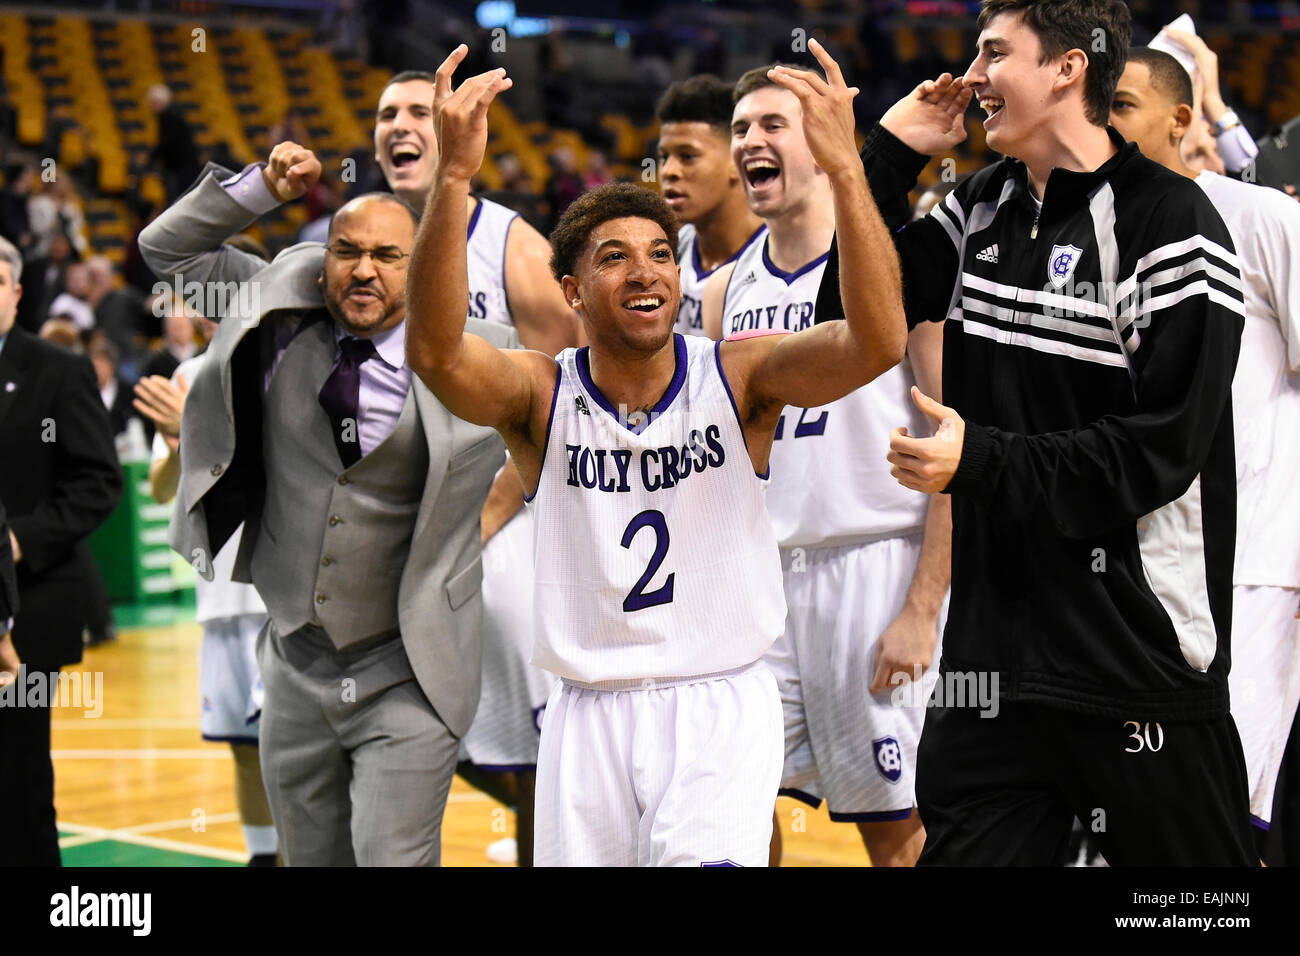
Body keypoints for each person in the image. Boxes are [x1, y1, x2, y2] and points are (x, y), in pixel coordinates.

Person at [406, 42, 907, 866]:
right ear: (569, 291)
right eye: (613, 257)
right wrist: (453, 181)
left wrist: (849, 169)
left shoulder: (740, 374)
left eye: (659, 255)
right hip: (587, 714)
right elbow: (434, 351)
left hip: (718, 706)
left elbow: (877, 342)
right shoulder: (539, 395)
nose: (646, 272)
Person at [821, 0, 1255, 865]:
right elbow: (859, 313)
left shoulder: (1171, 225)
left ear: (1068, 68)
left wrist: (978, 460)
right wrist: (882, 159)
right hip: (991, 665)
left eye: (992, 54)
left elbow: (1159, 449)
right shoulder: (980, 204)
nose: (971, 77)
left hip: (1136, 655)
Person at [138, 143, 517, 866]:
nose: (364, 269)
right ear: (323, 259)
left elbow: (546, 450)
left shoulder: (482, 357)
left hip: (410, 667)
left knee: (392, 859)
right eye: (346, 251)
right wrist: (261, 189)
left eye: (387, 255)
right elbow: (167, 250)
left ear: (425, 265)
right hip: (293, 661)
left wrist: (489, 521)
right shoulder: (273, 314)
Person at [698, 62, 950, 868]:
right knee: (727, 800)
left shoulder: (899, 270)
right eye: (740, 130)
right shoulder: (719, 291)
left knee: (897, 826)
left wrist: (922, 604)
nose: (751, 143)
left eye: (773, 124)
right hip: (762, 579)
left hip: (874, 566)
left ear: (824, 140)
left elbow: (959, 448)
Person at [372, 50, 582, 866]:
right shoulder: (362, 245)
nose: (399, 128)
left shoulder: (512, 245)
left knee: (527, 742)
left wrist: (486, 517)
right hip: (403, 529)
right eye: (386, 117)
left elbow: (567, 402)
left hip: (506, 526)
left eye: (417, 113)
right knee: (406, 724)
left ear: (455, 128)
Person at [1109, 46, 1300, 855]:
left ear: (1180, 120)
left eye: (1119, 105)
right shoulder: (1090, 239)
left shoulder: (1261, 216)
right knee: (1147, 807)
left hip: (1253, 558)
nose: (1100, 124)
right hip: (1137, 561)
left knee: (1231, 811)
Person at [0, 234, 123, 865]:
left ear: (17, 294)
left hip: (28, 606)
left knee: (18, 779)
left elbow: (99, 482)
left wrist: (18, 541)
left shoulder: (57, 370)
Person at [136, 359, 280, 866]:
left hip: (278, 593)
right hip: (219, 595)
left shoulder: (285, 357)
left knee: (288, 746)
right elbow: (160, 487)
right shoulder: (187, 375)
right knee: (243, 745)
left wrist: (197, 427)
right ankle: (263, 856)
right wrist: (179, 442)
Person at [655, 75, 765, 338]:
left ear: (737, 158)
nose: (669, 171)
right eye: (663, 157)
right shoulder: (660, 257)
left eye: (687, 156)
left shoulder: (779, 260)